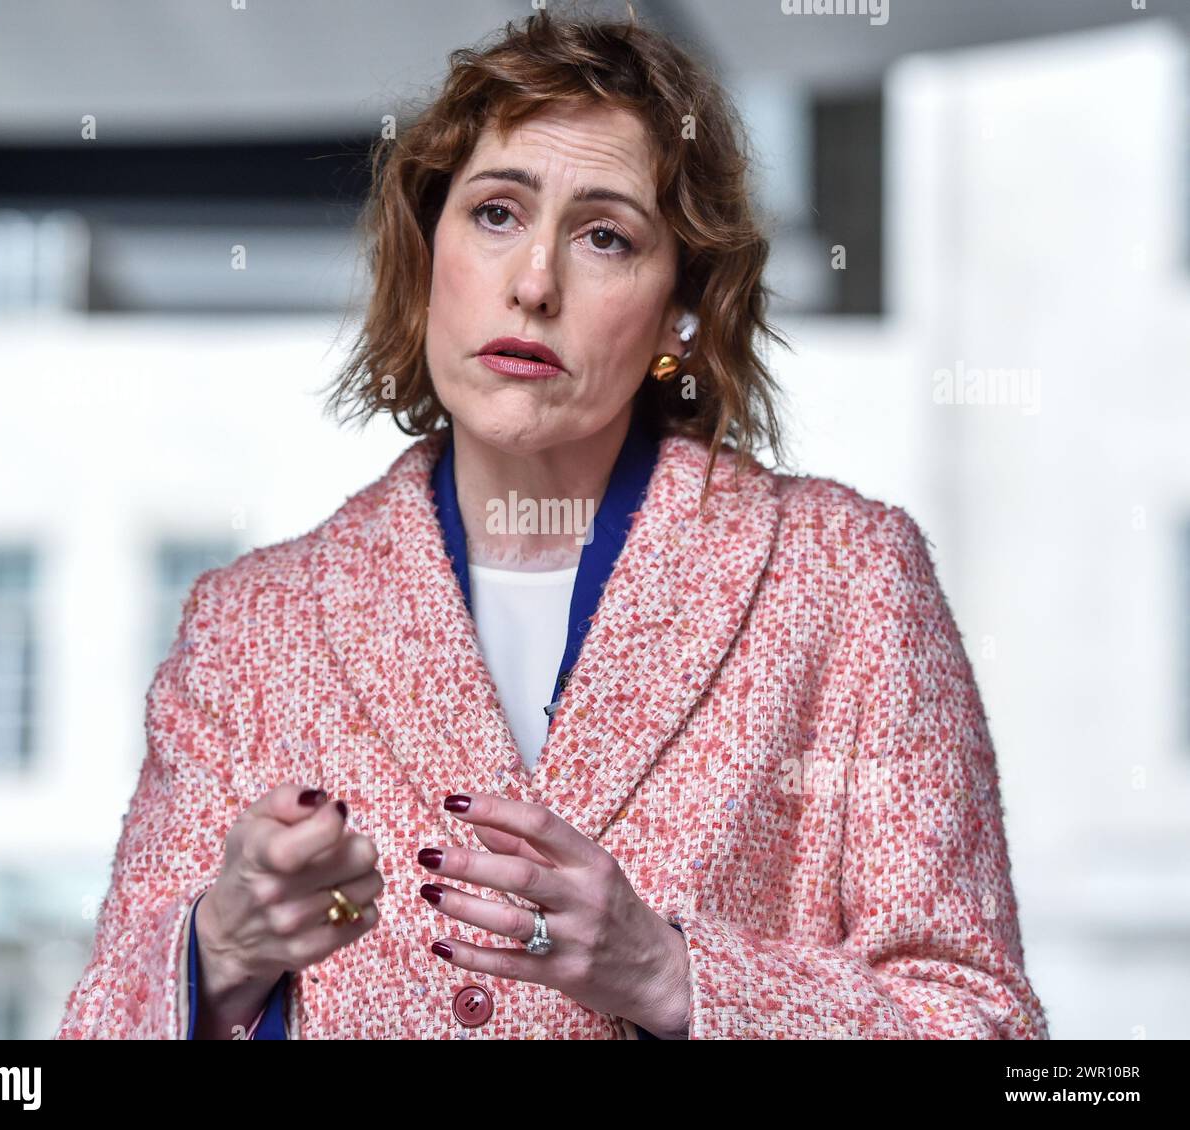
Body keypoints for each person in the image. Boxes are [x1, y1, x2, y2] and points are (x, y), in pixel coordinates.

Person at [55, 10, 1049, 1040]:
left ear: (681, 313)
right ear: (426, 250)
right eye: (495, 214)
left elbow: (986, 1028)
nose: (533, 282)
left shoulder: (845, 579)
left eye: (605, 236)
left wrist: (668, 974)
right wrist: (223, 950)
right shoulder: (250, 627)